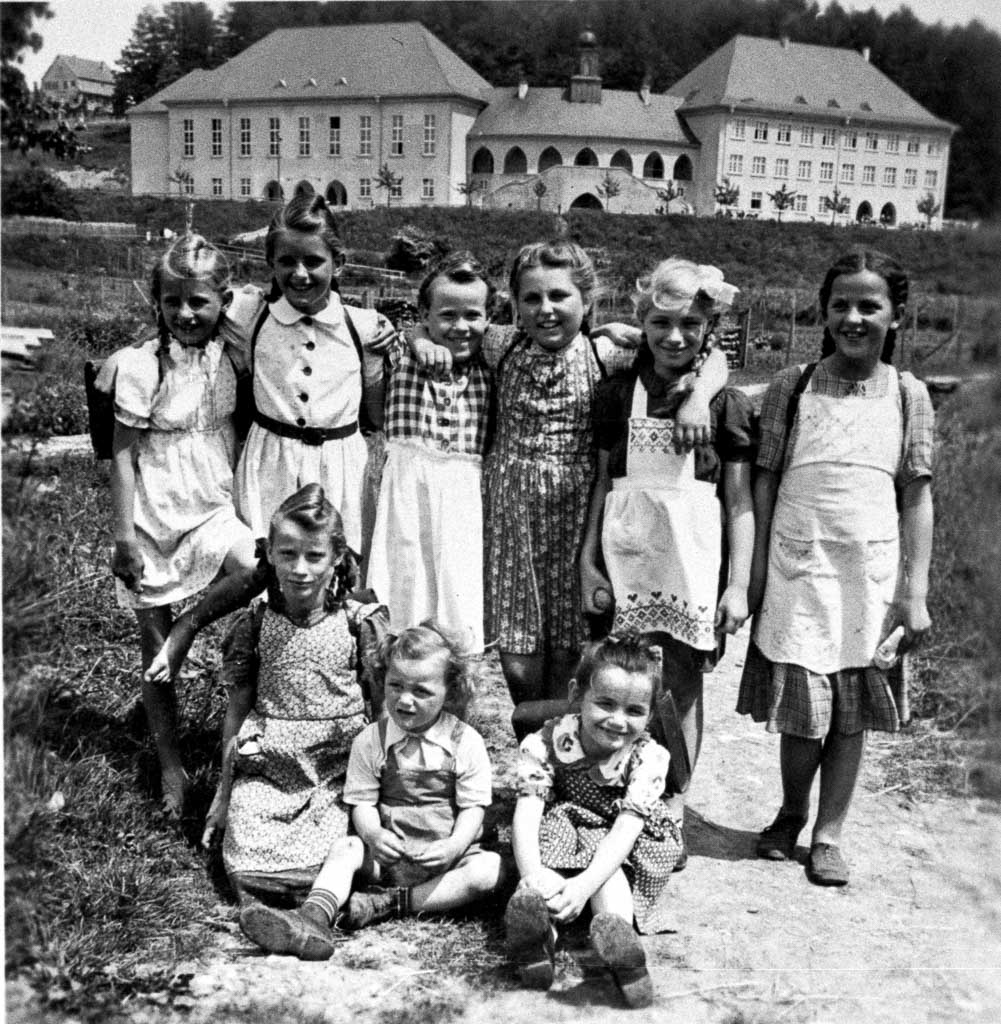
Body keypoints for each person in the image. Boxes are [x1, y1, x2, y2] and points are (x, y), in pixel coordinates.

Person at [417, 240, 729, 705]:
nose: (545, 309)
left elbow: (711, 352)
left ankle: (565, 759)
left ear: (587, 301)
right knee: (518, 655)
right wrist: (420, 340)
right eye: (531, 298)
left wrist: (700, 396)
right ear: (514, 305)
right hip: (509, 519)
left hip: (577, 514)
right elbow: (435, 330)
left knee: (571, 652)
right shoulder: (501, 344)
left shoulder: (611, 355)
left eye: (560, 296)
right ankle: (532, 759)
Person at [737, 248, 934, 887]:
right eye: (840, 305)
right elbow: (763, 483)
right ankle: (791, 811)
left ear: (896, 316)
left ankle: (828, 834)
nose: (853, 318)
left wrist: (915, 590)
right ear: (823, 312)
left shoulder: (909, 395)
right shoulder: (791, 387)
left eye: (869, 306)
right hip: (799, 568)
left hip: (869, 580)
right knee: (802, 710)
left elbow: (916, 494)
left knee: (851, 712)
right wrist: (757, 573)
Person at [580, 258, 756, 853]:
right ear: (642, 322)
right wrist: (588, 562)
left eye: (690, 325)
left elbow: (737, 504)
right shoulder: (616, 393)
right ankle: (615, 796)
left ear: (710, 330)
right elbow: (602, 486)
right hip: (626, 553)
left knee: (680, 682)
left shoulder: (722, 404)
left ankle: (671, 805)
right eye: (661, 323)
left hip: (693, 561)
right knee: (620, 677)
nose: (674, 337)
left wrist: (738, 587)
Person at [98, 234, 257, 818]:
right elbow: (121, 455)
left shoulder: (235, 351)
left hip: (213, 503)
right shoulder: (142, 365)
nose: (187, 314)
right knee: (154, 653)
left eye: (200, 302)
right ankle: (170, 766)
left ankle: (191, 624)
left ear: (223, 301)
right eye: (173, 303)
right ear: (157, 305)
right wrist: (124, 536)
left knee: (254, 564)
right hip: (153, 510)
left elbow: (292, 296)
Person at [239, 621, 504, 959]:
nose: (405, 700)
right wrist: (374, 835)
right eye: (396, 686)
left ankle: (389, 903)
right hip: (389, 856)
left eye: (421, 691)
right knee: (346, 847)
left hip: (445, 858)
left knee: (489, 871)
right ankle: (313, 917)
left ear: (450, 693)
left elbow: (473, 808)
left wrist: (454, 846)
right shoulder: (371, 740)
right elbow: (361, 802)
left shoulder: (465, 742)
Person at [201, 484, 388, 913]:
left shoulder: (357, 622)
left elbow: (380, 711)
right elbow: (237, 712)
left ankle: (311, 901)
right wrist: (223, 796)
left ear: (337, 557)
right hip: (271, 764)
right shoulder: (256, 622)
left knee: (336, 840)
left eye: (314, 556)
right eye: (287, 554)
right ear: (269, 554)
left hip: (336, 767)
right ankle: (276, 902)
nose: (300, 569)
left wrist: (383, 789)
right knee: (246, 839)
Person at [505, 635, 682, 1008]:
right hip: (567, 830)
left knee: (609, 880)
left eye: (635, 711)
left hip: (623, 845)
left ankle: (621, 950)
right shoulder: (548, 741)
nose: (618, 721)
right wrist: (532, 877)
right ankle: (539, 941)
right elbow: (528, 810)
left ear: (650, 714)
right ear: (577, 694)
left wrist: (584, 885)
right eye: (605, 704)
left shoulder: (648, 757)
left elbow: (625, 830)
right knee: (548, 872)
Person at [222, 192, 393, 555]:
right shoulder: (249, 315)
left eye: (314, 261)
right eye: (287, 261)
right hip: (270, 463)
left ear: (339, 263)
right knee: (268, 569)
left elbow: (376, 417)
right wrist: (134, 352)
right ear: (270, 262)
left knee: (338, 567)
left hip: (341, 468)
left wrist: (389, 356)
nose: (300, 274)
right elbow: (185, 316)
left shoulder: (363, 327)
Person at [366, 252, 494, 654]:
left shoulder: (492, 361)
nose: (461, 326)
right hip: (406, 490)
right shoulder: (402, 354)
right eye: (447, 315)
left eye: (473, 315)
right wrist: (416, 337)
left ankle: (453, 698)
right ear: (425, 313)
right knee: (402, 587)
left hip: (463, 495)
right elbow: (377, 332)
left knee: (458, 598)